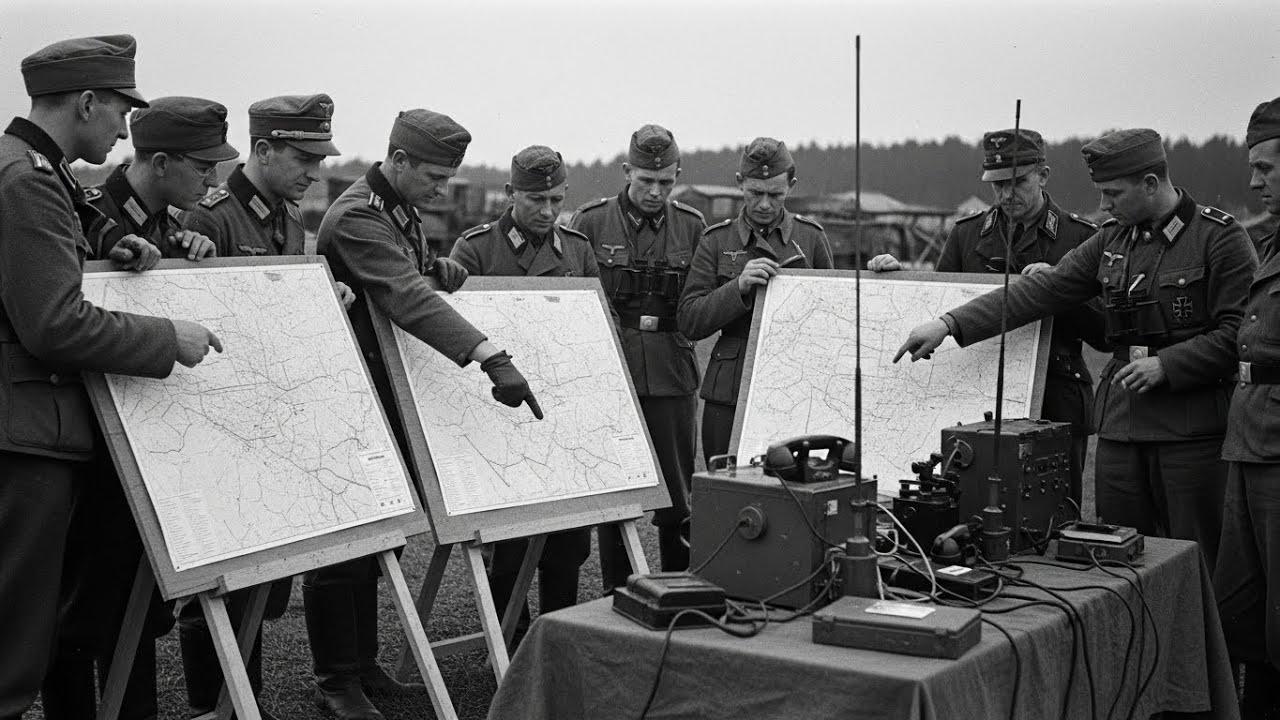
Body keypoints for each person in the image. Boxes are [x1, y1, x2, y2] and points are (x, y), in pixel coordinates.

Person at [896, 128, 1257, 573]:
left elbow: (1241, 332)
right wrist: (949, 324)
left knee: (1197, 557)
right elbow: (1039, 292)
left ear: (1150, 183)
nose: (1104, 205)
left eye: (1113, 194)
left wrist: (1169, 364)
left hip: (1192, 433)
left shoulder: (1218, 238)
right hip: (1122, 429)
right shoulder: (1112, 240)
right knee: (1116, 559)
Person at [0, 34, 221, 720]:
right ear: (88, 101)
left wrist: (104, 246)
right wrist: (166, 339)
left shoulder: (30, 169)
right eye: (121, 112)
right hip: (24, 434)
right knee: (14, 651)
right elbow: (53, 324)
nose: (125, 131)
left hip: (27, 427)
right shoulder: (29, 179)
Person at [315, 110, 539, 719]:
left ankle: (362, 665)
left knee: (377, 536)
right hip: (351, 393)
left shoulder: (398, 209)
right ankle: (336, 679)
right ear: (399, 160)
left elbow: (403, 275)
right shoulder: (359, 215)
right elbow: (404, 296)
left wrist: (434, 267)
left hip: (380, 393)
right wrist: (491, 356)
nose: (442, 188)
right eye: (435, 176)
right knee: (347, 538)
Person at [40, 95, 238, 720]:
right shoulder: (89, 213)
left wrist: (189, 264)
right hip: (92, 445)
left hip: (146, 436)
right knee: (82, 606)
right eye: (202, 167)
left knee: (138, 601)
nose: (213, 179)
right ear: (159, 163)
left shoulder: (167, 225)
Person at [175, 93, 351, 719]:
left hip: (270, 416)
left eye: (319, 159)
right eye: (303, 158)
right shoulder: (210, 216)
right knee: (220, 583)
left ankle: (242, 704)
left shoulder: (289, 218)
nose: (315, 172)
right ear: (263, 150)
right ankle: (215, 708)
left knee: (264, 583)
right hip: (220, 419)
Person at [865, 128, 1105, 508]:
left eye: (1018, 182)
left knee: (1055, 509)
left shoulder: (1080, 237)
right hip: (975, 392)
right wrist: (900, 280)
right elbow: (937, 309)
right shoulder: (968, 234)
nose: (1006, 194)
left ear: (1043, 176)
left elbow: (1106, 331)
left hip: (1054, 398)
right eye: (998, 185)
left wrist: (1060, 288)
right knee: (970, 502)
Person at [450, 144, 594, 646]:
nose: (548, 211)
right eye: (536, 199)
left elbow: (597, 329)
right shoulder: (475, 250)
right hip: (500, 408)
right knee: (506, 540)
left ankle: (558, 638)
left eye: (556, 200)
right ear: (511, 193)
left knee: (568, 537)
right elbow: (456, 331)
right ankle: (509, 643)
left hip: (558, 410)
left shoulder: (577, 251)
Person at [567, 124, 704, 589]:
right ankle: (616, 592)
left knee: (679, 494)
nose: (655, 191)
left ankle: (678, 589)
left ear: (677, 176)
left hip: (671, 369)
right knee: (617, 494)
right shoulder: (591, 222)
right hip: (614, 369)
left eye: (665, 182)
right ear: (627, 171)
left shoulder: (692, 226)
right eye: (646, 180)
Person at [676, 137, 834, 464]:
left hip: (794, 385)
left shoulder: (811, 239)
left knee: (794, 479)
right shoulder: (715, 241)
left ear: (791, 186)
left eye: (775, 195)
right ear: (740, 183)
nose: (764, 204)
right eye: (755, 193)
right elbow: (690, 321)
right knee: (724, 478)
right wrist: (738, 287)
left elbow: (833, 319)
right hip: (729, 389)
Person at [1215, 97, 1280, 718]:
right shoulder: (1269, 241)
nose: (1254, 182)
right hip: (1250, 440)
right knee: (1250, 610)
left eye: (1266, 167)